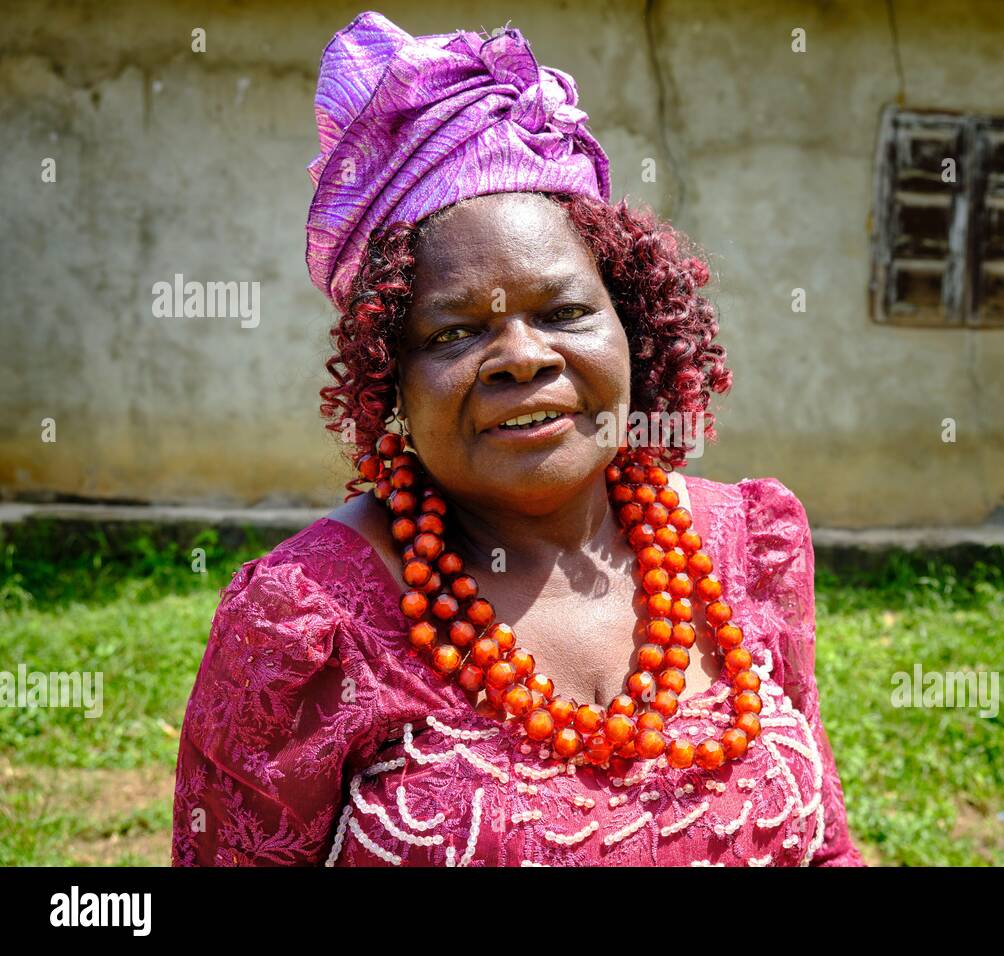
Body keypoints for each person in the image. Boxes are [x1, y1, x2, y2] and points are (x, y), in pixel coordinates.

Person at [171, 10, 863, 867]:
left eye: (566, 311)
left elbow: (826, 848)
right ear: (391, 376)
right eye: (455, 332)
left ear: (634, 325)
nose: (522, 357)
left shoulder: (750, 545)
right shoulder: (307, 622)